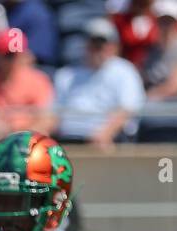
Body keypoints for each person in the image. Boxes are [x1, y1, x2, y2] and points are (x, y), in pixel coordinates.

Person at [53, 19, 146, 148]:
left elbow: (128, 109)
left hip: (106, 140)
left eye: (102, 44)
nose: (98, 49)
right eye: (93, 43)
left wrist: (105, 133)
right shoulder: (66, 74)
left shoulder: (125, 71)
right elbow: (53, 112)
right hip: (67, 139)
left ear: (114, 46)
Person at [0, 28, 55, 140]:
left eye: (17, 54)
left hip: (29, 143)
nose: (13, 59)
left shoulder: (38, 80)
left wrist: (20, 135)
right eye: (8, 55)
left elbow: (47, 121)